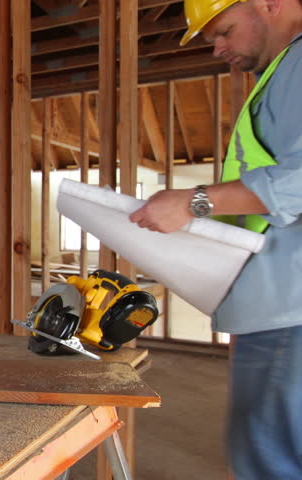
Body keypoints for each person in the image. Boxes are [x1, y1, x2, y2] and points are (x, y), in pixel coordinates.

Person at [128, 0, 302, 477]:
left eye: (223, 30)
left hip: (291, 307)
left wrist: (193, 201)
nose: (218, 48)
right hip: (279, 302)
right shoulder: (281, 75)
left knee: (271, 460)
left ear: (271, 4)